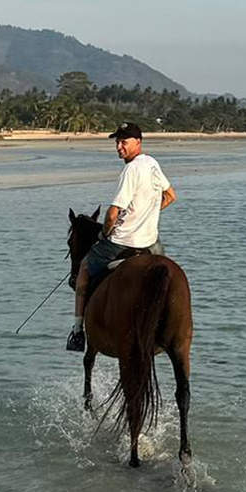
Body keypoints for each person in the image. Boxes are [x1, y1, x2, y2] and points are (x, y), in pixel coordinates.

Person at [66, 122, 176, 352]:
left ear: (138, 142)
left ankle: (77, 332)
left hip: (121, 242)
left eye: (124, 142)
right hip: (151, 243)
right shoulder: (152, 163)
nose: (119, 147)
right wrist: (147, 214)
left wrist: (105, 233)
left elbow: (113, 212)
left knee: (84, 270)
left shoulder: (131, 170)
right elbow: (170, 195)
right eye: (117, 142)